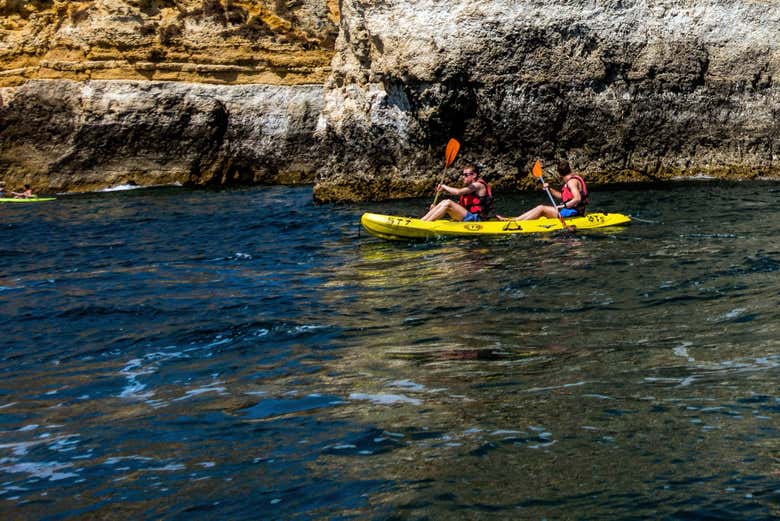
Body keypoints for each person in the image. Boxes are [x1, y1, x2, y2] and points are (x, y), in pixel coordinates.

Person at [497, 160, 588, 221]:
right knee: (540, 207)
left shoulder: (571, 182)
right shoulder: (575, 179)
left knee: (541, 209)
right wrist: (549, 189)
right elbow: (562, 196)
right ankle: (515, 219)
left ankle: (516, 222)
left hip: (573, 212)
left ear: (559, 173)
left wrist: (561, 206)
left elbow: (577, 199)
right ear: (569, 169)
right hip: (572, 210)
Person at [421, 164, 493, 221]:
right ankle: (423, 221)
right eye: (462, 175)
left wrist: (443, 186)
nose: (463, 177)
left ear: (474, 175)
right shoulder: (470, 188)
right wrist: (435, 209)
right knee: (444, 202)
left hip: (477, 219)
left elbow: (457, 192)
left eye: (465, 175)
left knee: (448, 203)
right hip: (469, 216)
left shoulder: (478, 185)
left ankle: (425, 224)